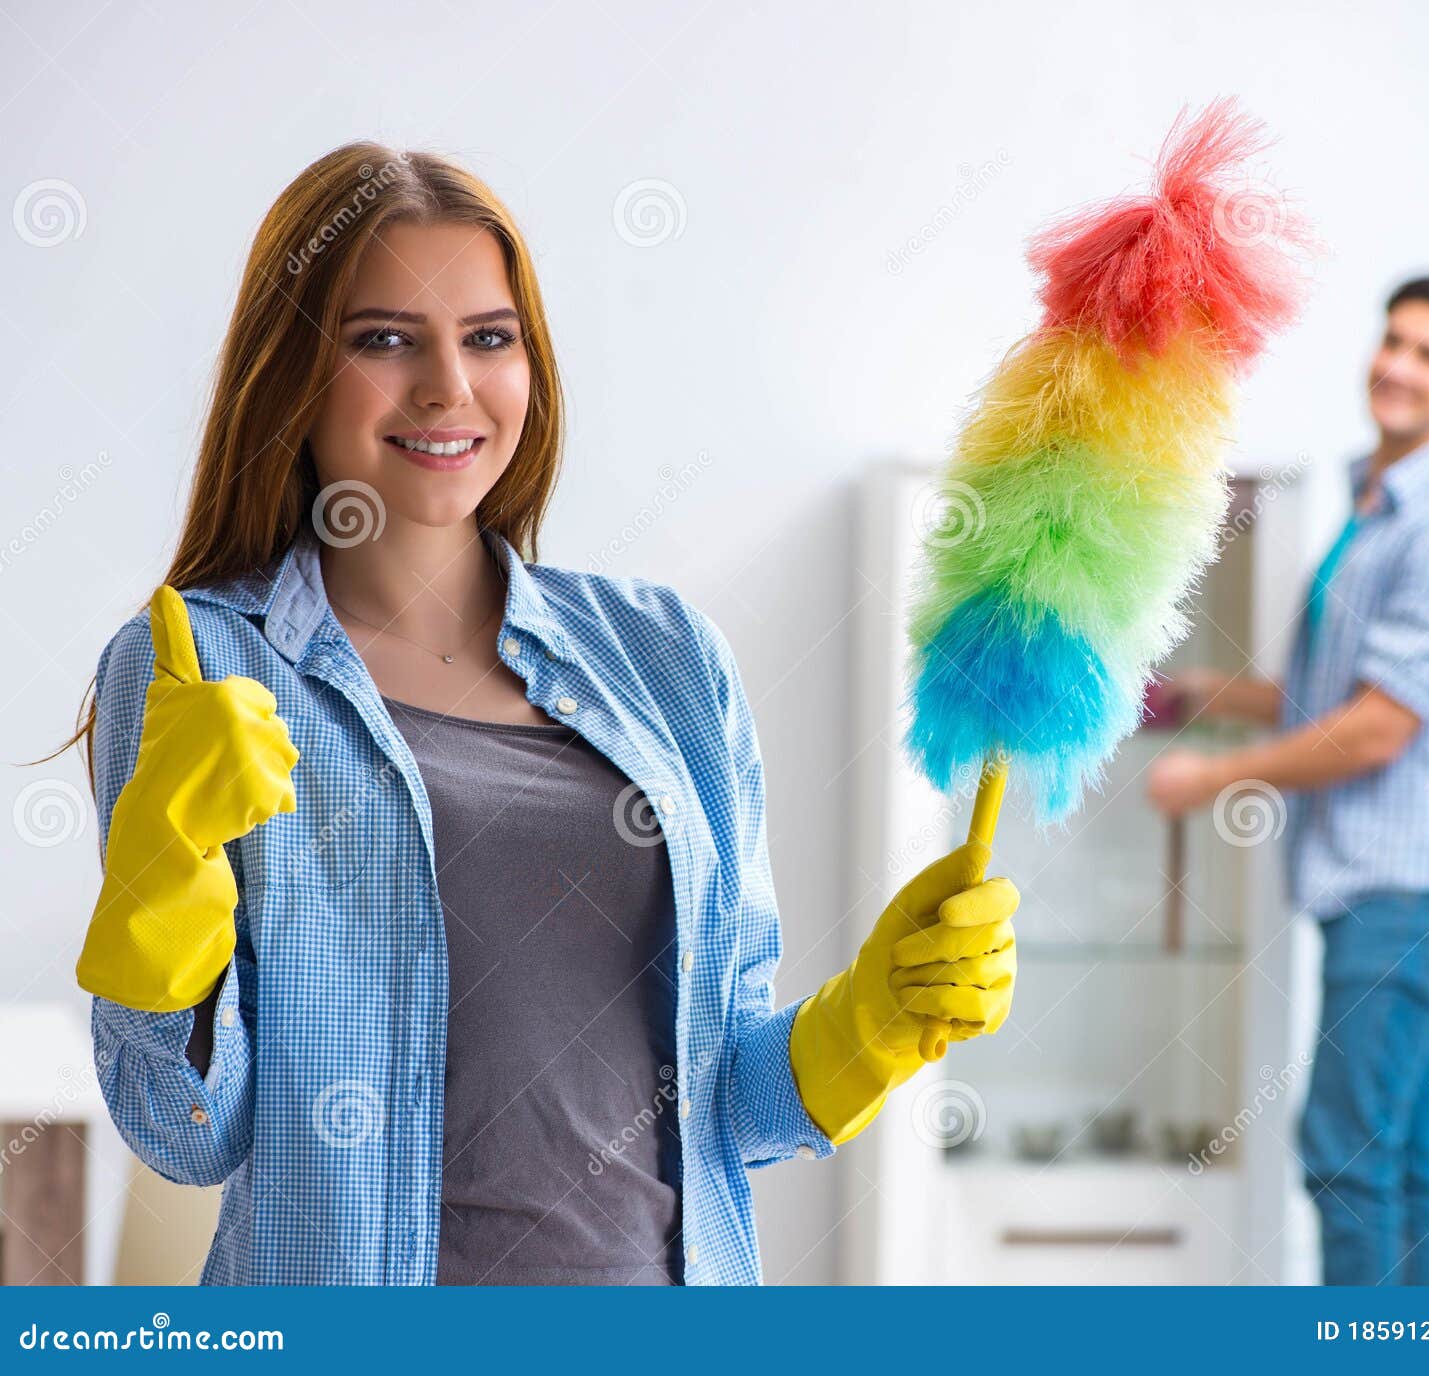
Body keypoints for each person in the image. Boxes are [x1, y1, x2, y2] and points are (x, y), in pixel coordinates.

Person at [54, 144, 1019, 1285]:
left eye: (487, 338)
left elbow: (725, 1109)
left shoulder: (665, 659)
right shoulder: (202, 664)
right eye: (384, 339)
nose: (446, 387)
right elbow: (183, 1133)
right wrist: (161, 893)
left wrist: (870, 1021)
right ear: (293, 372)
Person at [1145, 275, 1429, 1285]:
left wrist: (1214, 777)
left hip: (1408, 881)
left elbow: (1376, 728)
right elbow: (1334, 695)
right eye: (1393, 341)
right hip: (1375, 877)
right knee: (1394, 1156)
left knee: (1344, 1151)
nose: (1399, 366)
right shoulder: (1376, 508)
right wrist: (1199, 695)